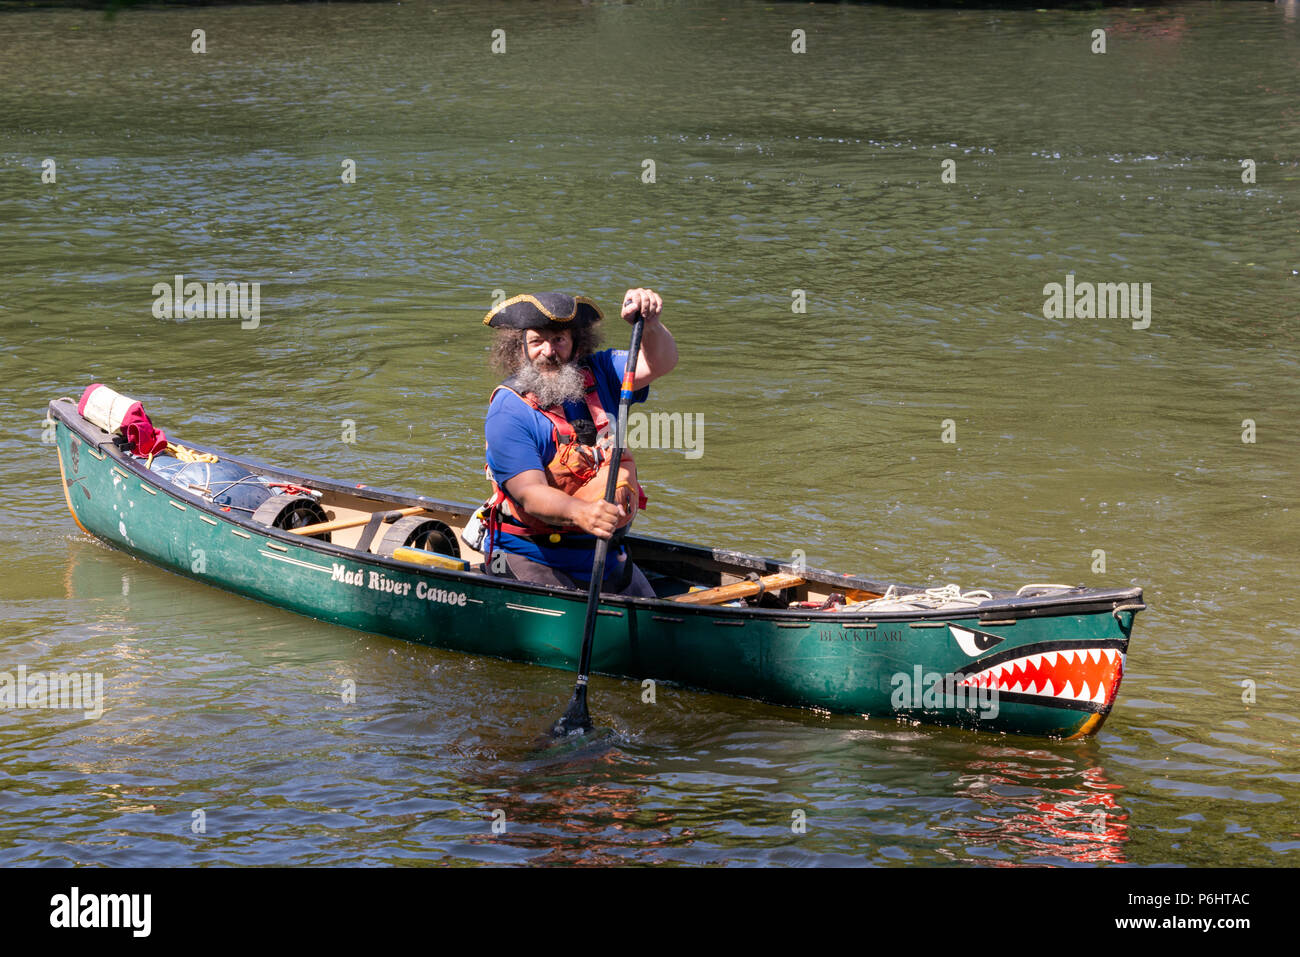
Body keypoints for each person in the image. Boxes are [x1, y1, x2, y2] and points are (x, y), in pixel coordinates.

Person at [479, 288, 678, 596]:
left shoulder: (602, 372)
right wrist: (581, 512)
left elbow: (659, 363)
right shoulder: (508, 410)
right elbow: (530, 493)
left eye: (559, 339)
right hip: (529, 556)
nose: (548, 351)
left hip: (604, 553)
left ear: (575, 344)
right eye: (537, 341)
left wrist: (650, 323)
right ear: (519, 349)